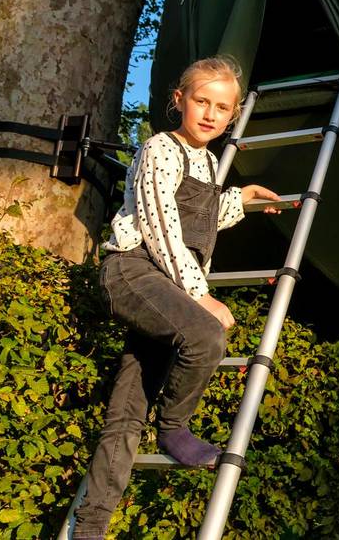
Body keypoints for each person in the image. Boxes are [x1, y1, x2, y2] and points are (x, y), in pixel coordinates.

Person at [72, 56, 281, 538]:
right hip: (134, 271)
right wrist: (199, 294)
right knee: (205, 336)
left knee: (126, 414)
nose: (210, 114)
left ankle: (89, 528)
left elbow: (198, 222)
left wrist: (239, 198)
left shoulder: (206, 163)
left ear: (232, 116)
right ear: (179, 100)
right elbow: (160, 225)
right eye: (202, 101)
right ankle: (173, 428)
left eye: (222, 108)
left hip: (163, 286)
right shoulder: (159, 148)